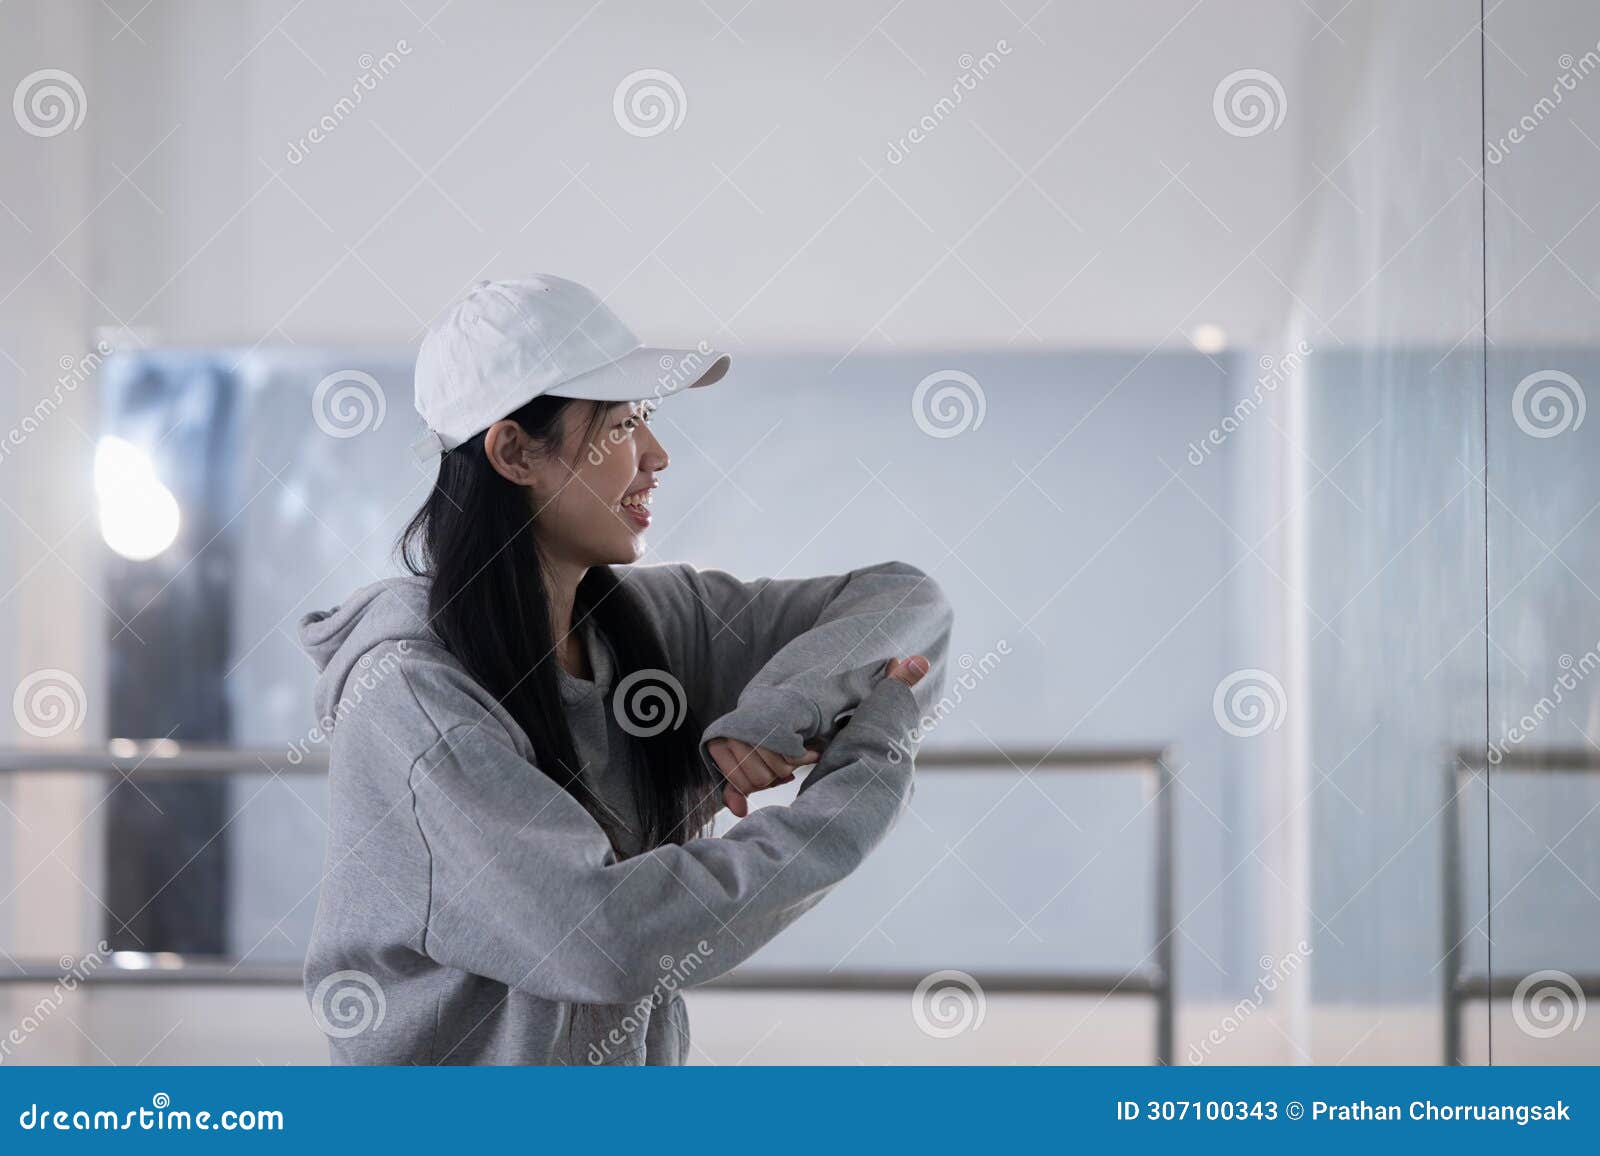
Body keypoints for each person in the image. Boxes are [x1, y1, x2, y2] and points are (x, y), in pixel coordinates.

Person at [297, 276, 953, 1065]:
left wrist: (782, 711)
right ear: (514, 452)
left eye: (646, 419)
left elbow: (901, 600)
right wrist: (865, 779)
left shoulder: (652, 624)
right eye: (619, 425)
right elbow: (605, 938)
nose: (656, 454)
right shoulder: (411, 699)